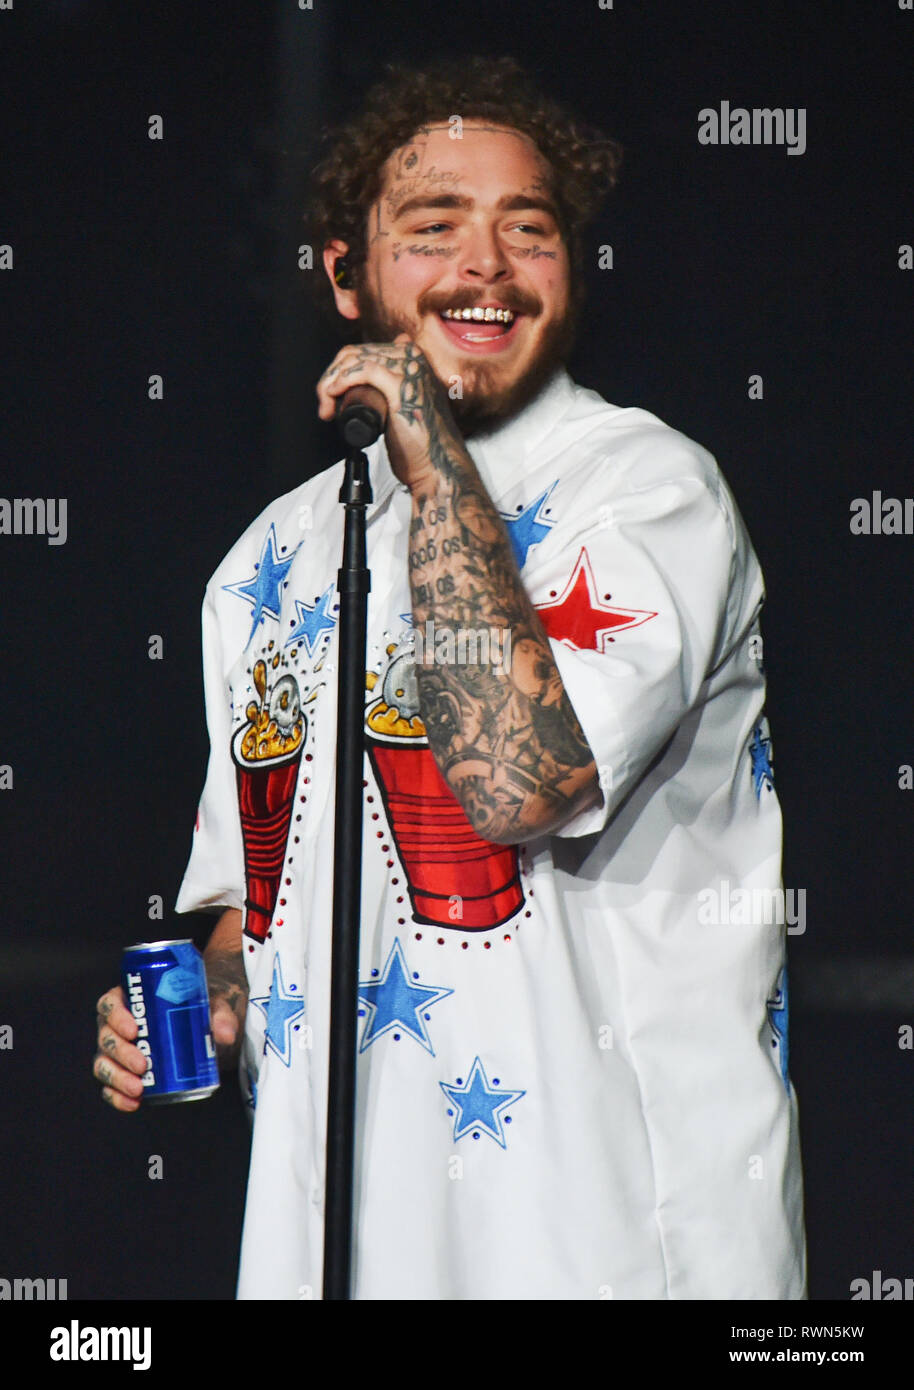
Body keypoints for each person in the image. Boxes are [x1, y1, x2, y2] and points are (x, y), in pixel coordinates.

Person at [94, 56, 806, 1299]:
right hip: (345, 1240)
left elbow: (522, 785)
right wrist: (209, 998)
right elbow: (252, 901)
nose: (485, 266)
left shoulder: (642, 488)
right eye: (433, 230)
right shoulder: (265, 558)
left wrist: (428, 458)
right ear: (343, 274)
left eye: (526, 232)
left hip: (608, 1241)